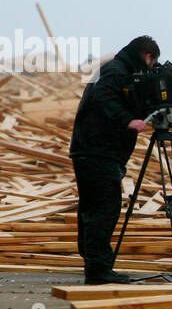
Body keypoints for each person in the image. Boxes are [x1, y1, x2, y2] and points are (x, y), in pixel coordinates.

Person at [68, 35, 158, 284]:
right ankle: (98, 270)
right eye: (151, 66)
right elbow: (104, 98)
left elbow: (112, 98)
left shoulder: (113, 68)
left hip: (91, 149)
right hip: (98, 151)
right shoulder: (116, 71)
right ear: (147, 57)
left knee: (92, 208)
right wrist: (128, 120)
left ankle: (94, 264)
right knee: (103, 209)